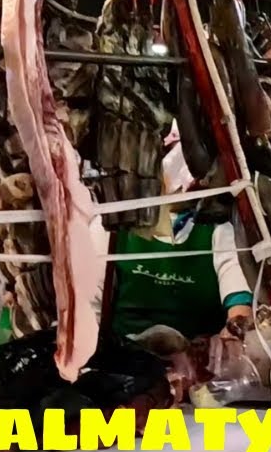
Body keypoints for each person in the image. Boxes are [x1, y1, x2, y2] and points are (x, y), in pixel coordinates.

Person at [93, 135, 254, 339]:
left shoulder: (218, 226)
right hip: (125, 352)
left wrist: (236, 329)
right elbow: (91, 304)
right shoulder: (114, 221)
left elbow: (236, 289)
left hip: (196, 355)